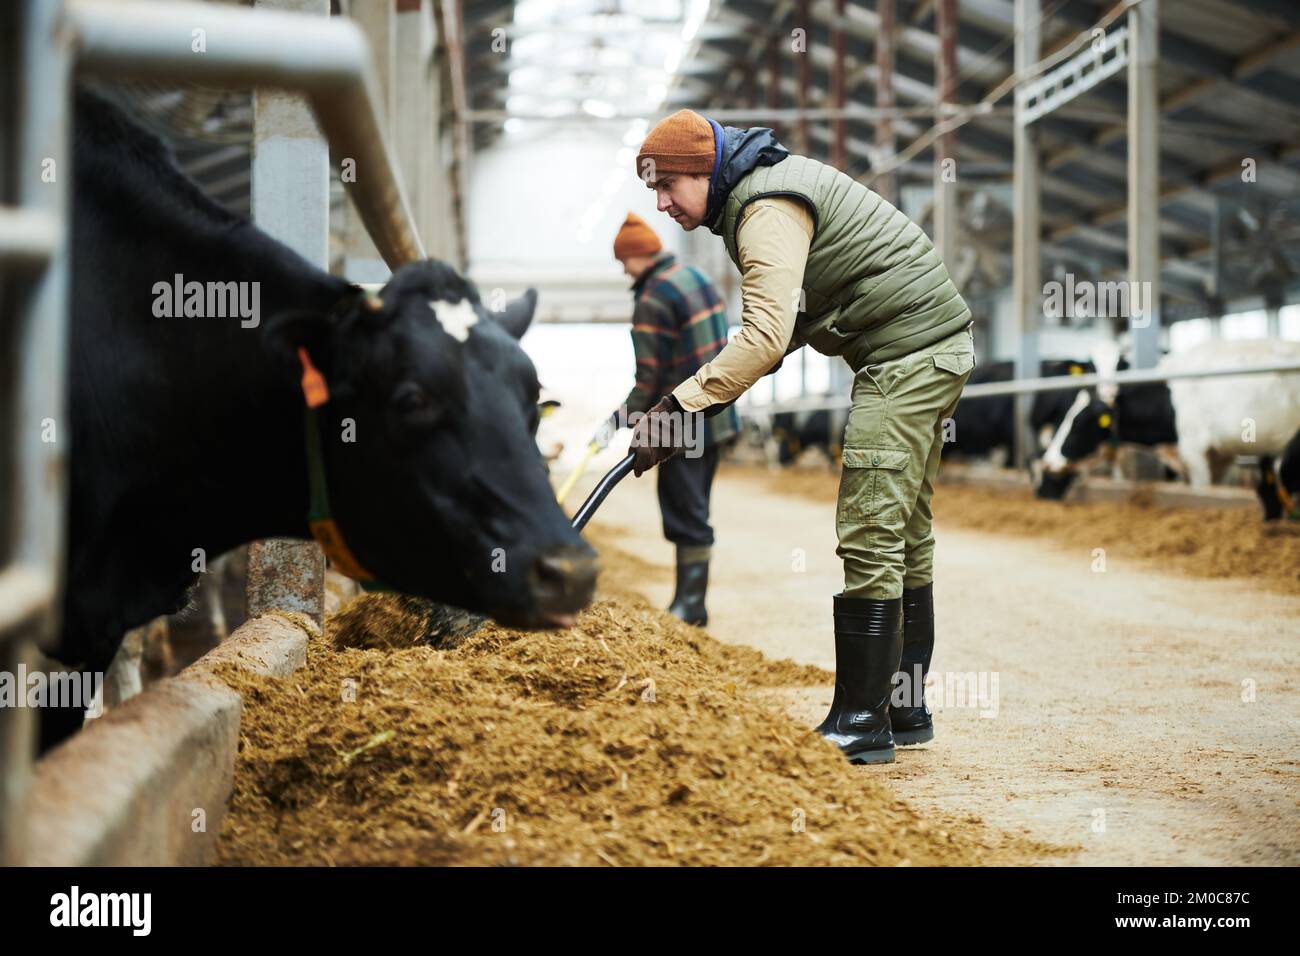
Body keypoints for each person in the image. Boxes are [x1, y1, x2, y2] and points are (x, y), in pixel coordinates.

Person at [627, 109, 975, 765]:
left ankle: (861, 721)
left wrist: (679, 404)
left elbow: (761, 337)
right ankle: (904, 704)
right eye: (654, 189)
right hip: (933, 349)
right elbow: (783, 328)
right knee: (903, 527)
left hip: (904, 356)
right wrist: (686, 410)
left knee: (872, 521)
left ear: (707, 171)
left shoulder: (765, 209)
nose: (662, 201)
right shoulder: (760, 195)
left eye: (669, 184)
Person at [594, 212, 740, 626]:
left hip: (681, 423)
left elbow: (649, 378)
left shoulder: (653, 297)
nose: (624, 270)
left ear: (639, 255)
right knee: (696, 507)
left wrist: (617, 420)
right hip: (719, 417)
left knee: (683, 510)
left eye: (624, 261)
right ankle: (691, 602)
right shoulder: (695, 277)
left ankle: (690, 607)